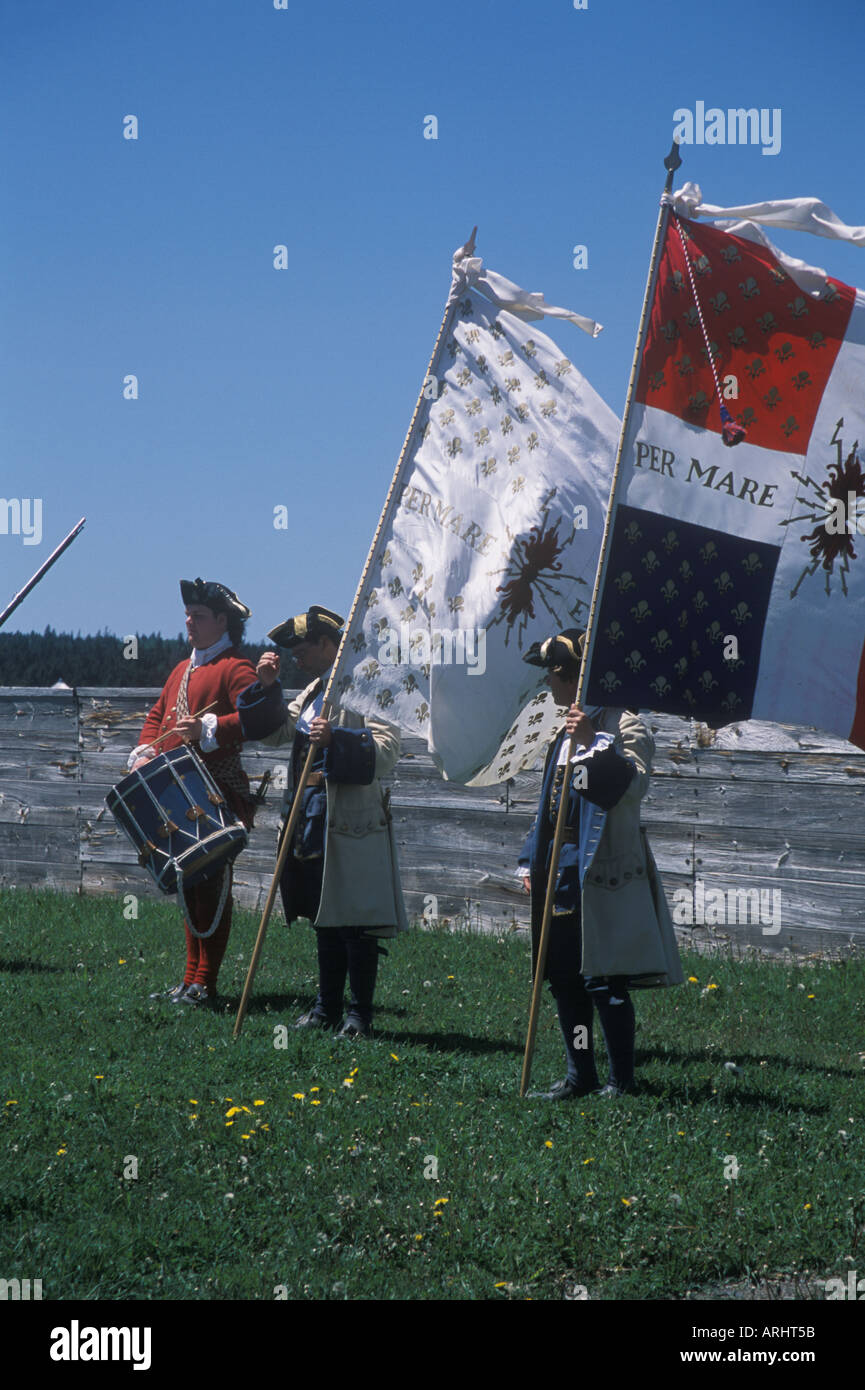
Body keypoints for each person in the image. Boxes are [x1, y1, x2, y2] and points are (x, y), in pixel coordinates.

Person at [519, 629, 683, 1098]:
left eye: (553, 677)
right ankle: (580, 1075)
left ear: (576, 677)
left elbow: (630, 789)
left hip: (603, 865)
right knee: (566, 977)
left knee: (603, 979)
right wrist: (532, 859)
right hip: (560, 865)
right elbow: (550, 806)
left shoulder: (624, 723)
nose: (548, 687)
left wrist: (594, 742)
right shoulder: (563, 728)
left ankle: (622, 1080)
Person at [255, 604, 407, 1038]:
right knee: (325, 913)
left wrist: (337, 739)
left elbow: (387, 748)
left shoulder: (370, 686)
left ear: (327, 645)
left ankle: (359, 1015)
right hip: (309, 812)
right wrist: (268, 688)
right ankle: (326, 1008)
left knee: (355, 918)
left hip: (351, 819)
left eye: (302, 651)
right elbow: (275, 732)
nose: (297, 660)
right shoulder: (310, 691)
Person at [130, 578, 283, 1006]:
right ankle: (188, 979)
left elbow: (257, 720)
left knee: (211, 886)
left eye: (197, 615)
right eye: (187, 614)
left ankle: (206, 983)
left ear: (222, 620)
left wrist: (209, 729)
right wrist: (144, 751)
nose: (188, 622)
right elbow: (159, 714)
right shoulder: (183, 669)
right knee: (188, 884)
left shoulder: (236, 667)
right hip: (177, 796)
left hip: (215, 794)